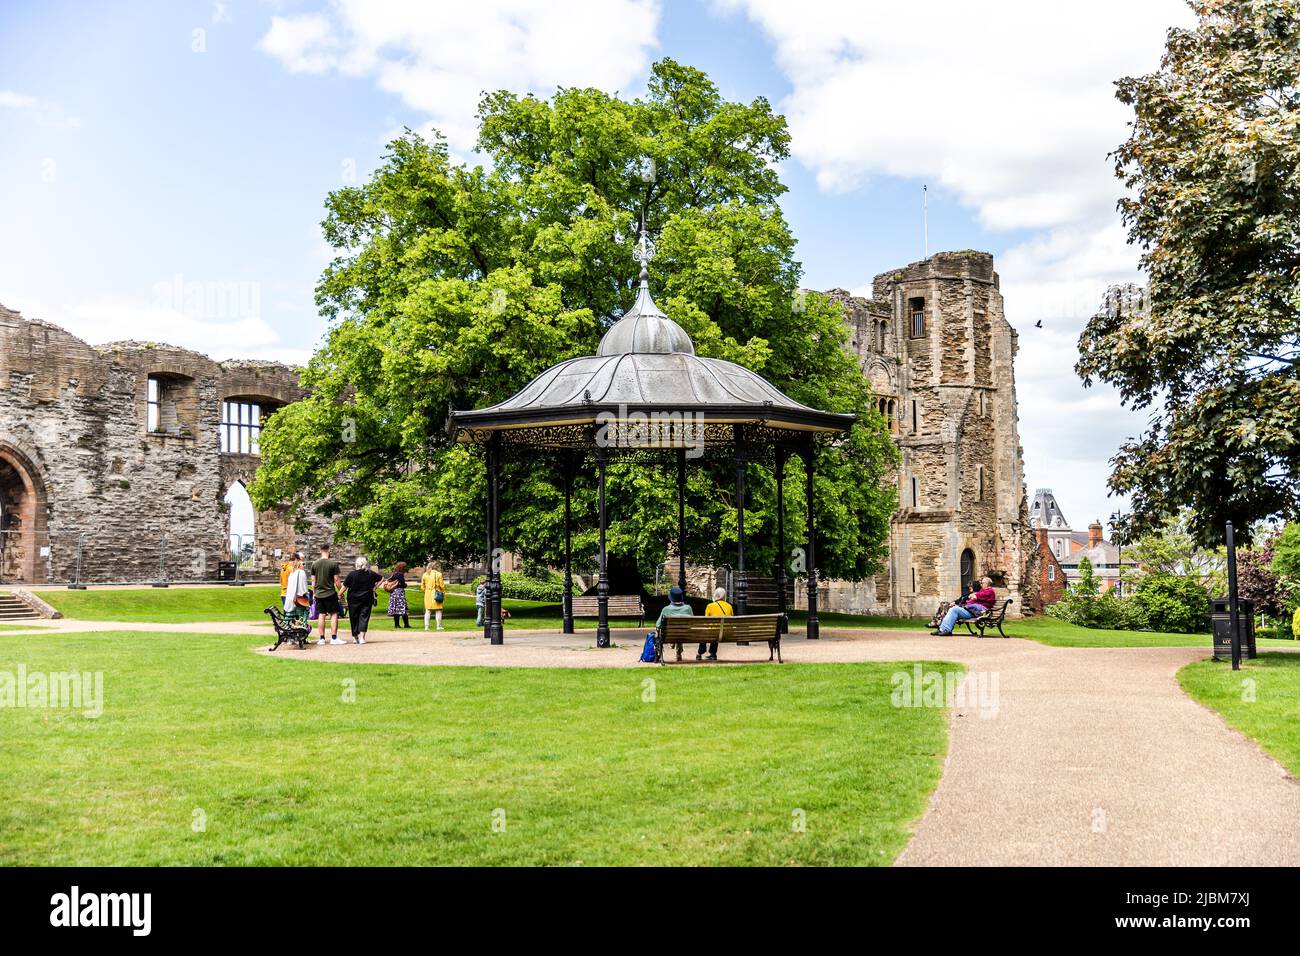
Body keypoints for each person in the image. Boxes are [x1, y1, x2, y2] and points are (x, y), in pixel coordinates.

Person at [932, 576, 997, 636]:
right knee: (952, 609)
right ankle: (942, 629)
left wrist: (973, 596)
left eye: (982, 583)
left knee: (954, 609)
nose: (981, 584)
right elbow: (973, 596)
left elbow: (974, 596)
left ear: (987, 583)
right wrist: (972, 596)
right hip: (971, 610)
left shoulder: (989, 591)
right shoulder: (984, 591)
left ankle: (946, 629)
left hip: (976, 612)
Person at [342, 556, 382, 644]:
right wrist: (375, 588)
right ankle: (362, 638)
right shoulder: (370, 573)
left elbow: (344, 586)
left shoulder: (352, 574)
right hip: (367, 598)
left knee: (354, 617)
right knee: (364, 617)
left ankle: (356, 637)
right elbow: (381, 578)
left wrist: (339, 594)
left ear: (356, 565)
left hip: (353, 599)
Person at [311, 544, 345, 645]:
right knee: (334, 614)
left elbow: (313, 580)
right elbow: (337, 580)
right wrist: (341, 591)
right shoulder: (333, 564)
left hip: (319, 593)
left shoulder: (314, 564)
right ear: (329, 551)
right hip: (330, 593)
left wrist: (314, 593)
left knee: (321, 614)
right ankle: (334, 638)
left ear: (320, 550)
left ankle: (321, 638)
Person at [655, 585, 695, 662]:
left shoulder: (666, 609)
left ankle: (672, 641)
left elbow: (658, 625)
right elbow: (692, 622)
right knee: (680, 630)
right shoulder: (688, 608)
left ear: (671, 598)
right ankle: (678, 652)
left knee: (674, 631)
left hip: (669, 635)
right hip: (685, 634)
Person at [699, 586, 733, 661]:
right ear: (724, 596)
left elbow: (706, 622)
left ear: (715, 595)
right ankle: (713, 654)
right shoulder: (729, 606)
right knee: (717, 630)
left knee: (706, 631)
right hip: (726, 632)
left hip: (714, 633)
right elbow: (731, 621)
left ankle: (700, 652)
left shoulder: (710, 606)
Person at [282, 553, 310, 628]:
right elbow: (303, 589)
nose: (303, 565)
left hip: (290, 602)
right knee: (305, 612)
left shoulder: (292, 573)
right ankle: (301, 628)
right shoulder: (301, 572)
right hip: (298, 602)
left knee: (290, 617)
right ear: (299, 561)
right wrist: (306, 595)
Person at [421, 561, 446, 631]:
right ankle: (438, 626)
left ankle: (426, 627)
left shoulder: (425, 574)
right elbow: (442, 586)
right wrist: (443, 593)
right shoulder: (439, 574)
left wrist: (426, 591)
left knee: (428, 611)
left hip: (427, 594)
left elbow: (422, 587)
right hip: (436, 593)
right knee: (438, 610)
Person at [385, 561, 411, 628]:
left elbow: (389, 580)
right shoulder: (400, 575)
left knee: (395, 609)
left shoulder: (394, 574)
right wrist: (405, 585)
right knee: (403, 608)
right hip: (399, 593)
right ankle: (406, 624)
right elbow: (403, 584)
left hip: (393, 593)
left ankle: (397, 625)